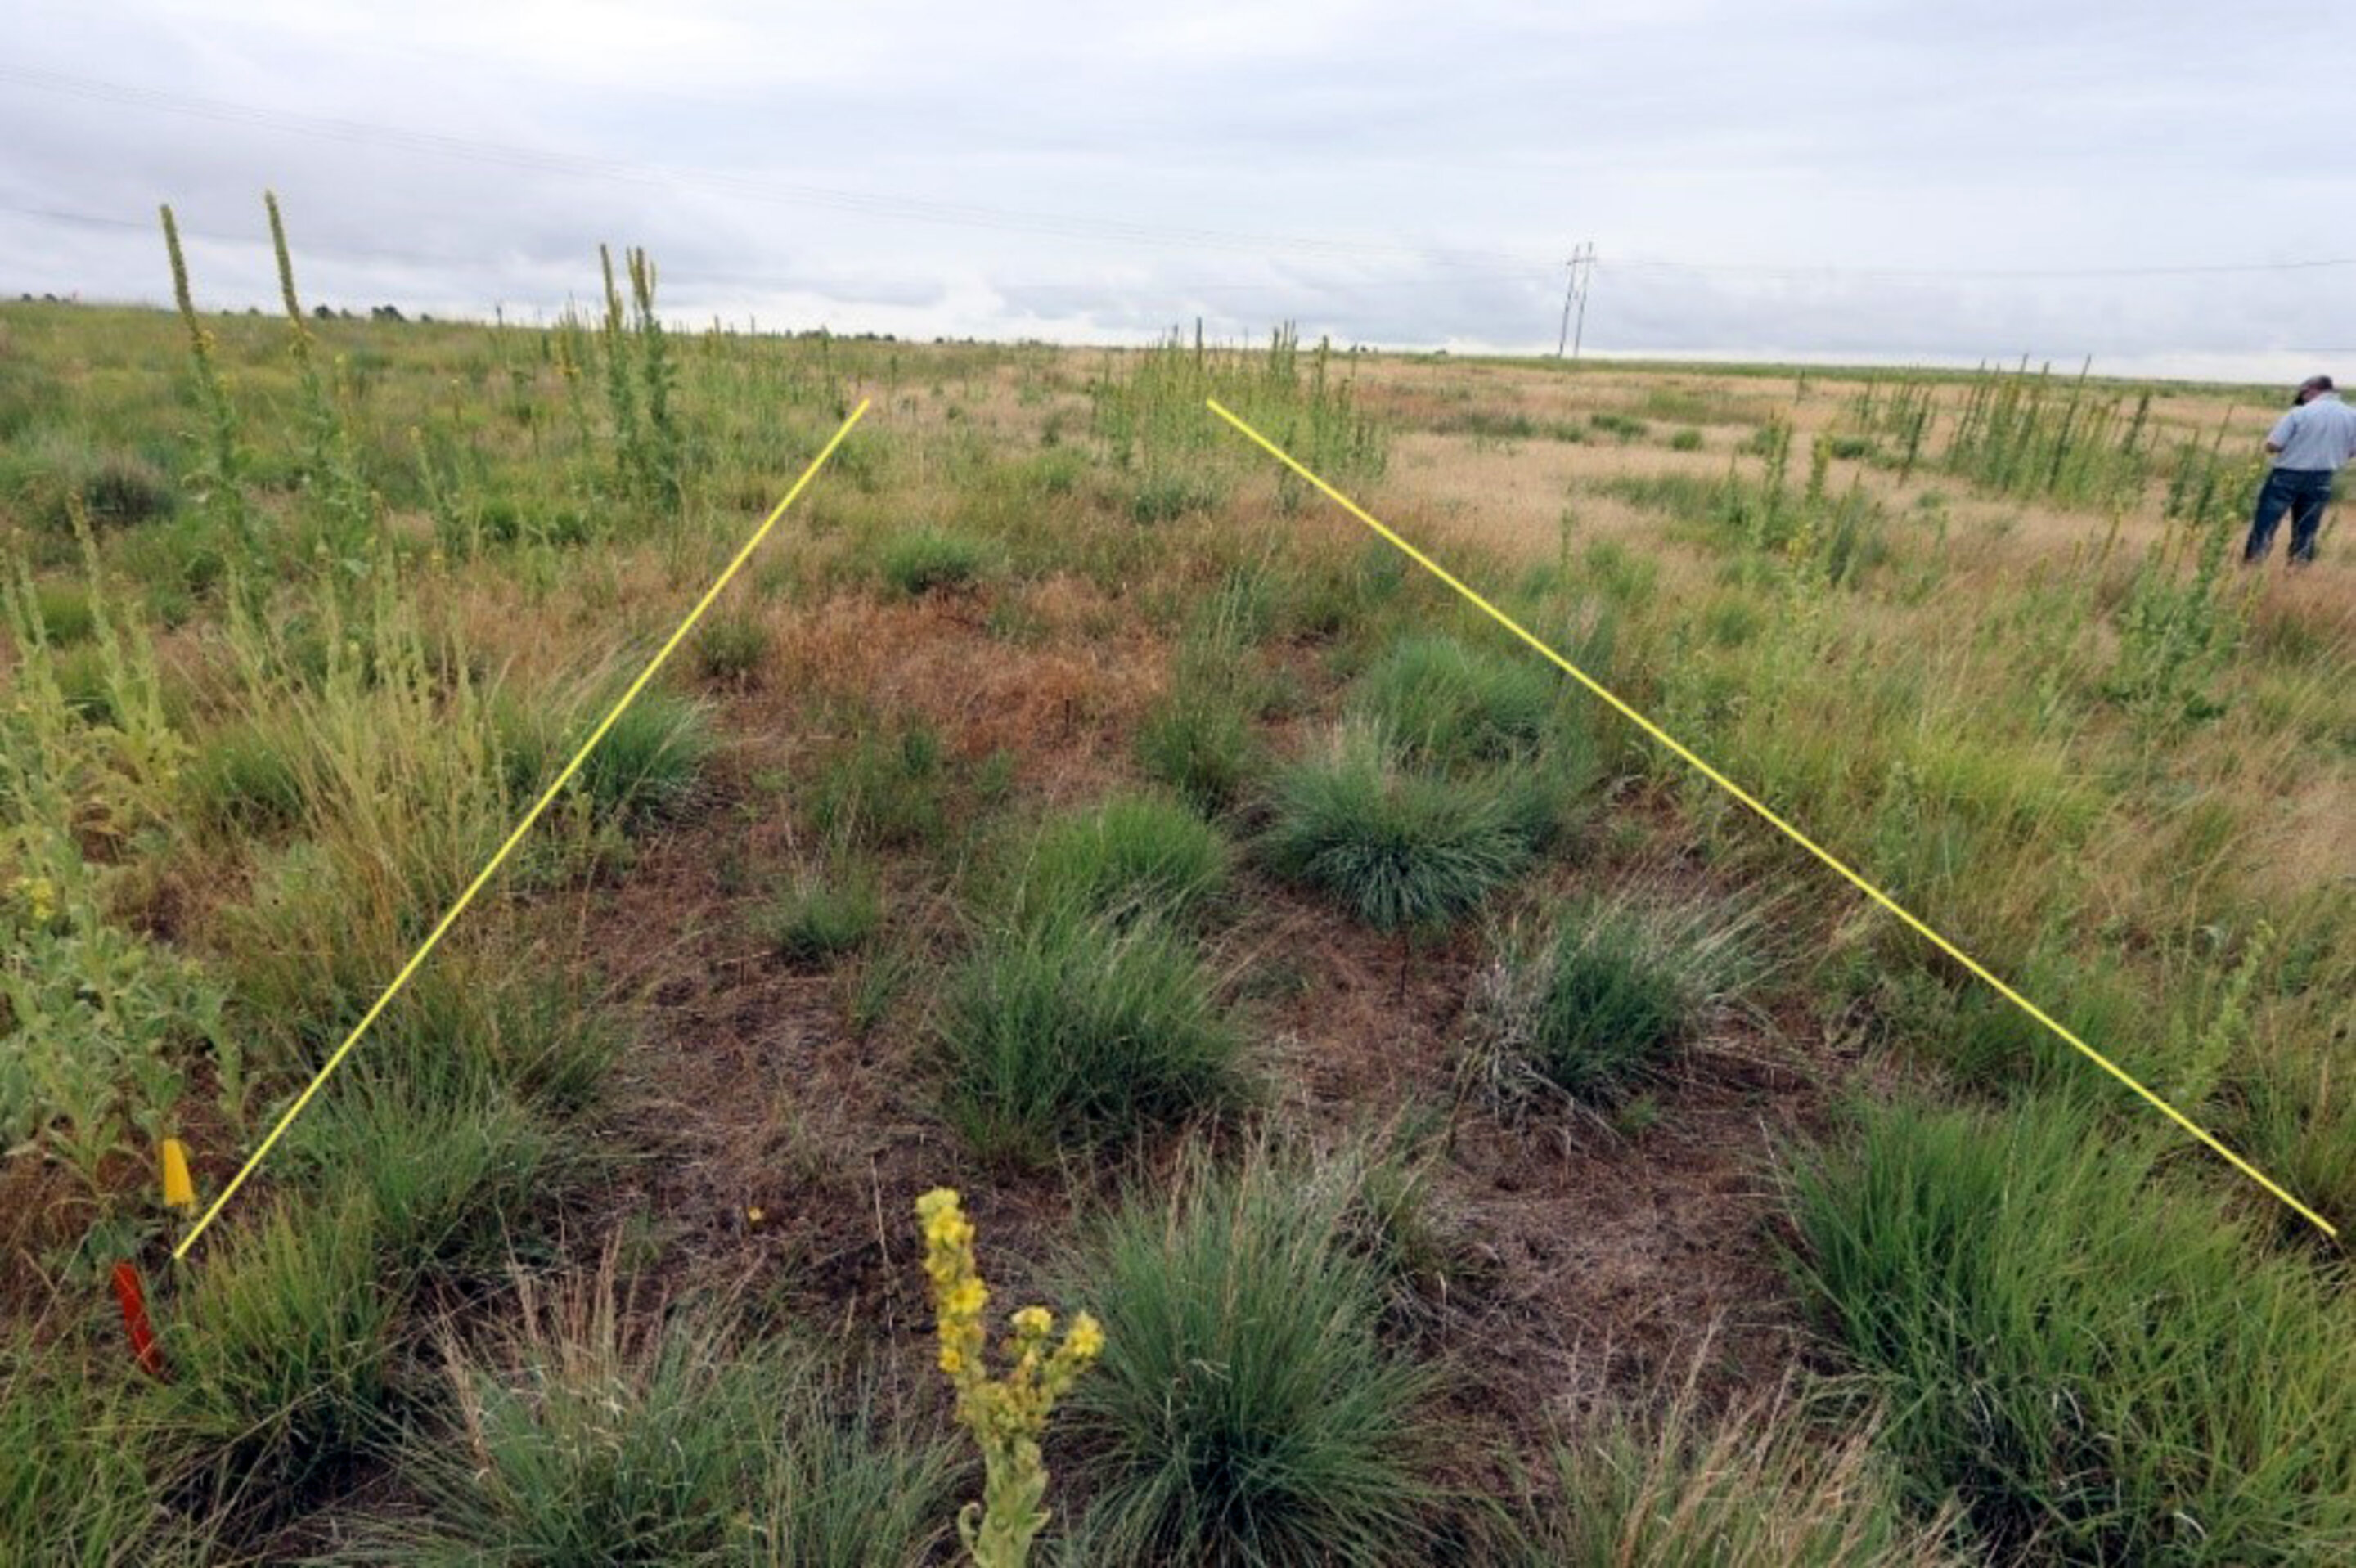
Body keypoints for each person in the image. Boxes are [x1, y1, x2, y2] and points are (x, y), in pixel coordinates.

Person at [2243, 375, 2356, 565]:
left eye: (2302, 393)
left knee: (2266, 523)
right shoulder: (2352, 415)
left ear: (2312, 389)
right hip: (2322, 477)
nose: (2302, 398)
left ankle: (2253, 565)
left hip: (2287, 474)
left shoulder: (2299, 413)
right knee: (2307, 528)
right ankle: (2298, 569)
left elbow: (2273, 445)